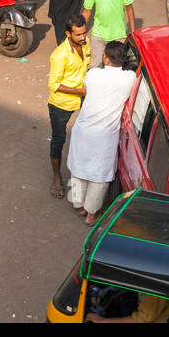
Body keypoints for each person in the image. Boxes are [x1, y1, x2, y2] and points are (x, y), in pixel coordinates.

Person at [66, 39, 134, 224]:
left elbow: (87, 88)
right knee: (99, 177)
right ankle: (91, 214)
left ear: (106, 58)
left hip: (84, 130)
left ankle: (78, 205)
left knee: (79, 169)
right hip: (105, 137)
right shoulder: (129, 79)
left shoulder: (94, 74)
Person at [48, 15, 90, 199]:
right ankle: (57, 177)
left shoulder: (86, 43)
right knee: (59, 140)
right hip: (61, 103)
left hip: (83, 98)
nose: (82, 37)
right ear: (68, 34)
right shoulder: (59, 55)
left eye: (84, 32)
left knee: (87, 135)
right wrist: (81, 91)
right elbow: (54, 85)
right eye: (78, 34)